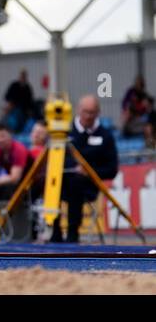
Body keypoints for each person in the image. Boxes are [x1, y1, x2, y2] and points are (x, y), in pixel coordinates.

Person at [50, 94, 118, 244]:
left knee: (76, 182)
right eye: (85, 111)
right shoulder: (64, 132)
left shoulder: (106, 136)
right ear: (78, 110)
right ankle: (53, 231)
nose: (88, 116)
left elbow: (112, 170)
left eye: (92, 112)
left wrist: (89, 172)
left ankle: (73, 233)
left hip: (88, 185)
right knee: (48, 182)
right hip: (62, 182)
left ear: (98, 112)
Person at [120, 76, 154, 140]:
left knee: (148, 127)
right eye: (138, 84)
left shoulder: (144, 96)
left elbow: (148, 109)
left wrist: (146, 106)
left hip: (141, 121)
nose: (139, 87)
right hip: (132, 124)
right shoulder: (131, 93)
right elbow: (125, 106)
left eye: (141, 85)